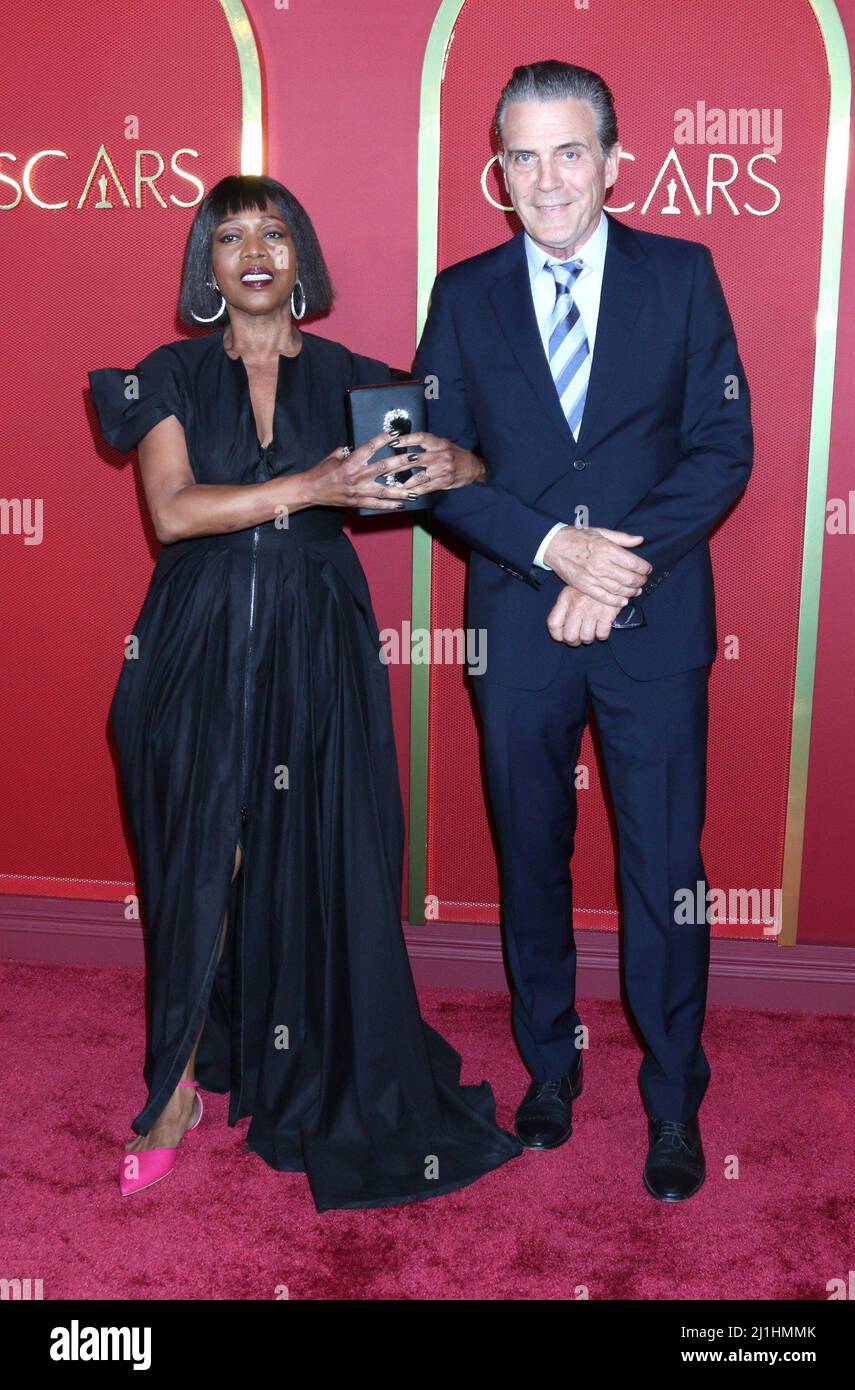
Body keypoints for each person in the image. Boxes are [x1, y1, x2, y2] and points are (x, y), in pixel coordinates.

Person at [88, 174, 522, 1212]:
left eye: (270, 232)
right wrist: (314, 488)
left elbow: (468, 457)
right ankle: (174, 1093)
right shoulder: (170, 374)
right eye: (228, 235)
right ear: (207, 267)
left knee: (318, 855)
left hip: (316, 647)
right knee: (200, 859)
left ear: (299, 257)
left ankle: (303, 1065)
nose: (251, 249)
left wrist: (445, 460)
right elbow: (176, 511)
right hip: (193, 651)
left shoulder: (357, 377)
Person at [410, 61, 753, 1201]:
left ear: (613, 161)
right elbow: (433, 470)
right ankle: (547, 1068)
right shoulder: (462, 295)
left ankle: (671, 1102)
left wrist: (615, 565)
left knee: (662, 870)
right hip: (517, 616)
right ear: (495, 172)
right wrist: (551, 549)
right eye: (522, 156)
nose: (546, 178)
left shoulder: (683, 275)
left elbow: (719, 451)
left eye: (568, 152)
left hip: (650, 622)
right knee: (530, 857)